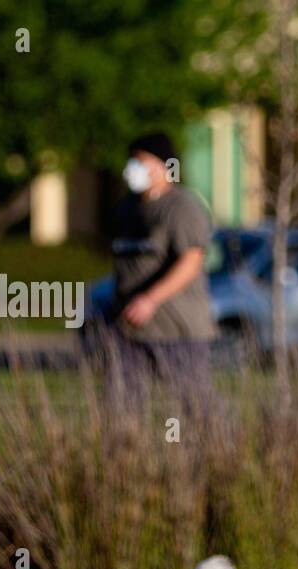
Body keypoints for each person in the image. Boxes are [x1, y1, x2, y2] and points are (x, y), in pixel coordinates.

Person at [108, 131, 215, 402]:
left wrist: (149, 299)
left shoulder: (181, 207)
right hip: (130, 330)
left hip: (177, 330)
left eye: (141, 161)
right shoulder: (125, 210)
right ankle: (127, 445)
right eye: (132, 161)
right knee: (121, 404)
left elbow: (191, 262)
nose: (133, 168)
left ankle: (220, 444)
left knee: (195, 403)